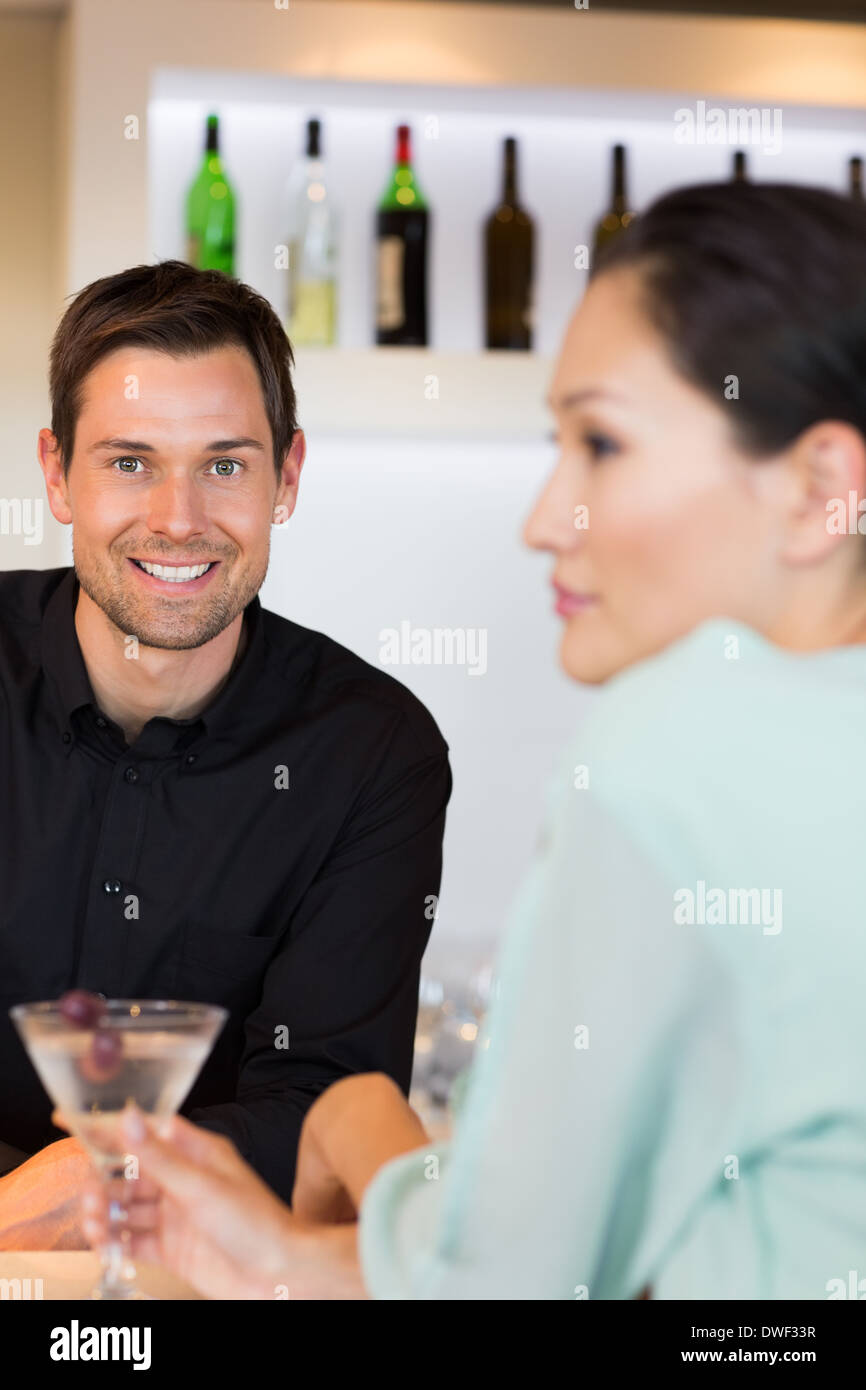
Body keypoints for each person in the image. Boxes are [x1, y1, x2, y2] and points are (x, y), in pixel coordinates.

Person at [61, 180, 866, 1299]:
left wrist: (335, 1179)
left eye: (600, 442)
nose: (543, 516)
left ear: (820, 484)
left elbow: (503, 1279)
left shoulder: (677, 739)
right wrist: (306, 1241)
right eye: (130, 459)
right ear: (57, 473)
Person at [0, 261, 451, 1250]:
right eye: (129, 461)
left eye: (224, 463)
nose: (177, 516)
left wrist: (86, 1179)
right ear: (54, 473)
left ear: (285, 477)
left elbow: (325, 1108)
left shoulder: (371, 751)